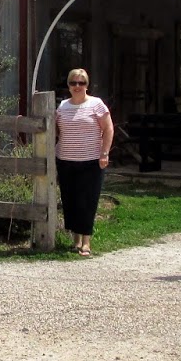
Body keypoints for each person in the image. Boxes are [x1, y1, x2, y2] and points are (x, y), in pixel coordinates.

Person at [55, 68, 114, 257]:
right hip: (65, 160)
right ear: (69, 85)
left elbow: (109, 128)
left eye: (82, 83)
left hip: (91, 161)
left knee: (88, 201)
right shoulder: (62, 106)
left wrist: (104, 153)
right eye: (73, 83)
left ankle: (86, 242)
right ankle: (75, 240)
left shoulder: (96, 104)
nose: (77, 86)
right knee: (70, 200)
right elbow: (56, 129)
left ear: (87, 85)